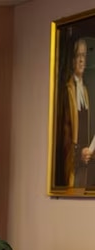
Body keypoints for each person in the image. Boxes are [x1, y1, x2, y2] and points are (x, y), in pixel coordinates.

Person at [54, 37, 94, 189]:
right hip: (73, 164)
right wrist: (78, 155)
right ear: (72, 60)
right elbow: (63, 136)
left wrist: (90, 152)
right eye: (78, 55)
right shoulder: (67, 91)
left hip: (86, 164)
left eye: (84, 55)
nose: (82, 60)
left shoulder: (85, 91)